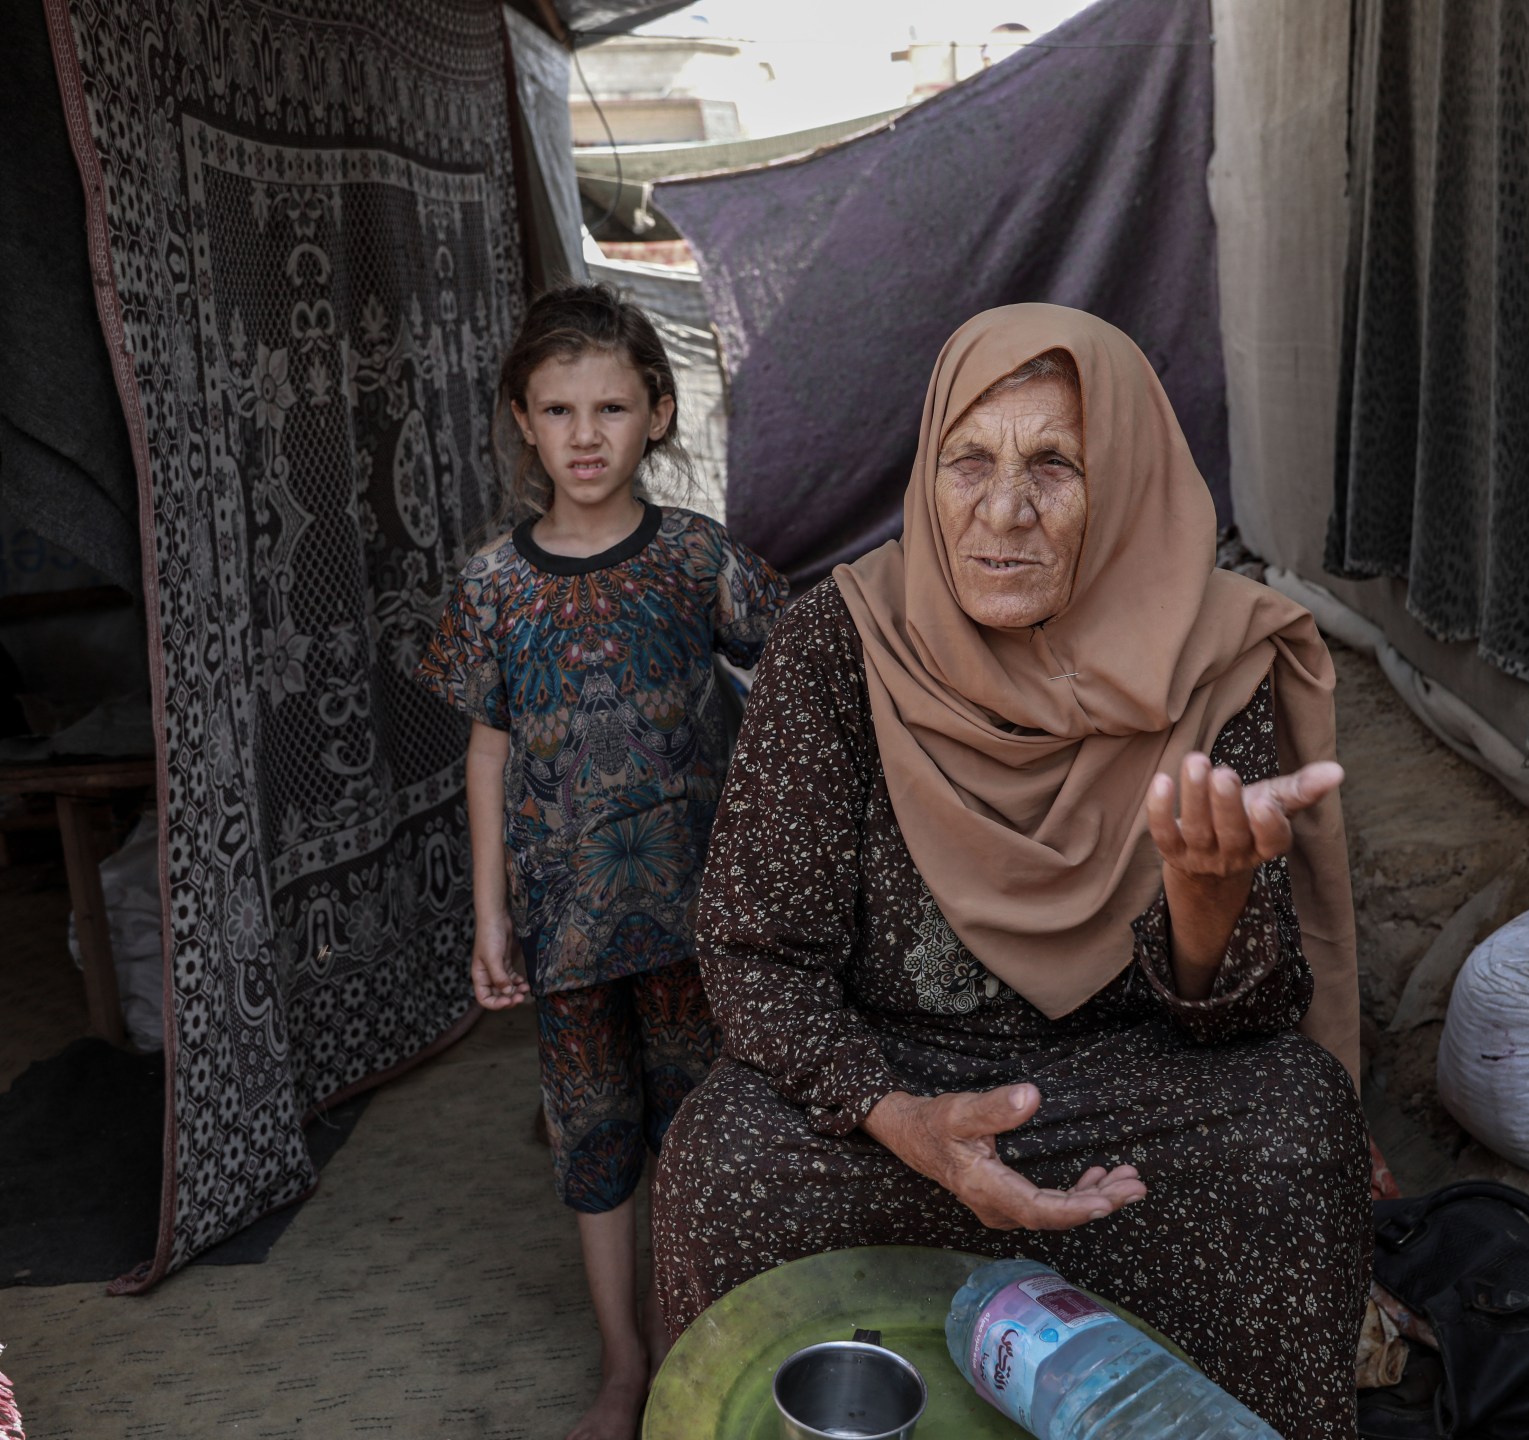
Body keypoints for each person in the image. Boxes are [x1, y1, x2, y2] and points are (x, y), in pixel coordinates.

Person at [653, 304, 1370, 1434]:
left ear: (1125, 482)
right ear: (926, 470)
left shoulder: (1213, 660)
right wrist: (906, 1120)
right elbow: (757, 957)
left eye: (1054, 466)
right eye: (969, 463)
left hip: (1128, 1084)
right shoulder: (839, 644)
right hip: (893, 1083)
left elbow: (1247, 1022)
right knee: (722, 1160)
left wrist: (1205, 896)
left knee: (1292, 1126)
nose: (1002, 513)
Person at [416, 284, 786, 1440]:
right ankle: (624, 1363)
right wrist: (489, 918)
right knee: (593, 1140)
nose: (586, 435)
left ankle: (696, 1340)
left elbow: (798, 675)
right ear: (523, 421)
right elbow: (486, 756)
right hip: (566, 927)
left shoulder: (695, 559)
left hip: (694, 918)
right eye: (559, 408)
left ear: (658, 415)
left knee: (701, 1125)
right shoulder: (493, 588)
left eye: (612, 407)